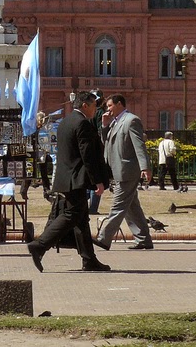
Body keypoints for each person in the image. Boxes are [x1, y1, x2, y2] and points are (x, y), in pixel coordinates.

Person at [27, 90, 110, 272]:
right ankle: (40, 245)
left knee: (81, 219)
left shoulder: (66, 121)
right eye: (94, 105)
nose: (96, 109)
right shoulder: (82, 124)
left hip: (66, 176)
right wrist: (97, 181)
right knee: (72, 214)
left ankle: (89, 259)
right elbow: (87, 156)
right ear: (85, 105)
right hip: (76, 178)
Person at [94, 94, 153, 251]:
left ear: (119, 104)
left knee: (118, 206)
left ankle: (103, 238)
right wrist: (104, 126)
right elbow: (105, 142)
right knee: (132, 207)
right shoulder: (114, 122)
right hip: (118, 169)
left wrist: (145, 167)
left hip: (128, 170)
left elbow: (139, 145)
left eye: (110, 106)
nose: (108, 109)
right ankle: (143, 239)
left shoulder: (131, 120)